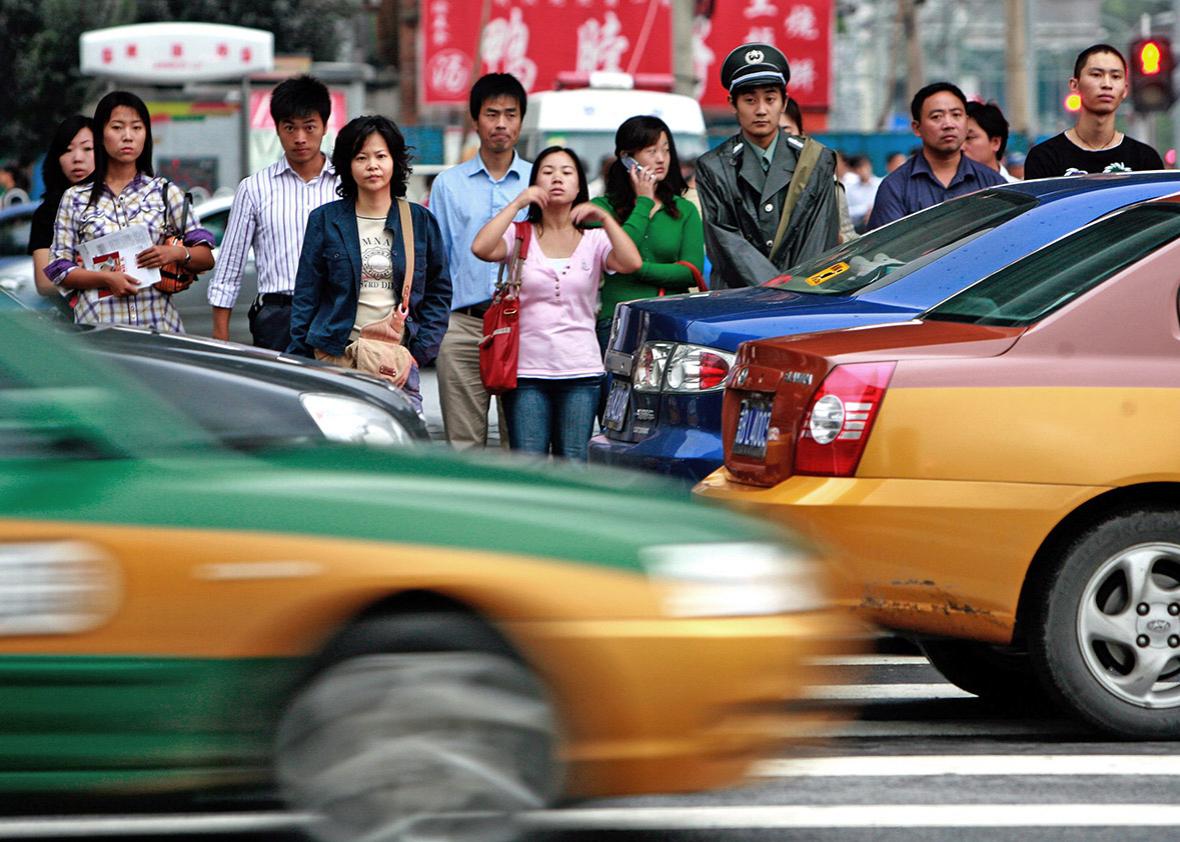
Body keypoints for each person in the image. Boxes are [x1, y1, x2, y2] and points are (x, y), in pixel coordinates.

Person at [470, 147, 641, 460]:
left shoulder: (595, 239)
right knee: (529, 462)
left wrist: (604, 217)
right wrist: (518, 202)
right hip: (525, 373)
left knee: (573, 461)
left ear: (579, 186)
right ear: (535, 182)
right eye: (547, 172)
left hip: (581, 370)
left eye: (566, 172)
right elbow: (481, 247)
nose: (557, 178)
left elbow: (631, 262)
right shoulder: (519, 235)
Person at [287, 116, 452, 412]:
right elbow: (307, 294)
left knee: (400, 450)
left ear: (395, 161)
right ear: (348, 165)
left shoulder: (418, 221)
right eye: (361, 157)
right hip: (335, 355)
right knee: (341, 451)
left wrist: (419, 353)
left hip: (394, 359)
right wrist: (301, 356)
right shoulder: (325, 220)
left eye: (381, 156)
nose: (372, 165)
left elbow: (439, 291)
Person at [46, 91, 215, 330]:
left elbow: (206, 257)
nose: (128, 136)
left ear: (146, 134)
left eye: (136, 128)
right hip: (99, 332)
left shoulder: (165, 192)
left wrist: (175, 254)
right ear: (100, 135)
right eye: (117, 127)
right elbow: (59, 268)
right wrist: (105, 278)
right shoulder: (75, 198)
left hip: (159, 329)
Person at [430, 73, 531, 449]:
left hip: (525, 327)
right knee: (464, 445)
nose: (501, 123)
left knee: (521, 444)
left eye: (510, 114)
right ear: (476, 120)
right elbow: (436, 260)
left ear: (521, 120)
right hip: (462, 327)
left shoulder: (538, 180)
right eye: (492, 114)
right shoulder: (448, 184)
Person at [207, 75, 339, 349]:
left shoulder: (346, 186)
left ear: (325, 126)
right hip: (278, 316)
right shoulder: (254, 188)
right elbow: (229, 268)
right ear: (277, 128)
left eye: (309, 127)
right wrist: (221, 338)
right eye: (290, 128)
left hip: (335, 312)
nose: (300, 138)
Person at [696, 42, 842, 288]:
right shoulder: (713, 166)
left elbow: (819, 238)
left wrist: (795, 290)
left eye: (770, 99)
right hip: (740, 299)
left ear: (784, 103)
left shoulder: (817, 160)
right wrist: (777, 289)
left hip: (802, 297)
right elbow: (727, 244)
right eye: (750, 100)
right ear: (733, 104)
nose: (761, 110)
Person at [590, 115, 704, 351]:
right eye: (651, 151)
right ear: (627, 159)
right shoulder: (602, 209)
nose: (661, 158)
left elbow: (690, 272)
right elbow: (616, 254)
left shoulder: (684, 210)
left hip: (670, 320)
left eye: (666, 150)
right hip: (617, 322)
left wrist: (636, 268)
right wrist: (643, 201)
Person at [867, 82, 1006, 230]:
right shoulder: (895, 187)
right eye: (936, 117)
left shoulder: (993, 183)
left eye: (956, 115)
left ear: (966, 121)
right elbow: (887, 249)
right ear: (916, 128)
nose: (948, 124)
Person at [1025, 44, 1163, 179]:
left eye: (1115, 77)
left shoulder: (1146, 159)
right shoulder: (1044, 158)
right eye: (1096, 75)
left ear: (1125, 90)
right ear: (1074, 85)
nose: (1107, 84)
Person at [27, 115, 94, 298]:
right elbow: (45, 282)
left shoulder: (123, 202)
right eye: (67, 150)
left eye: (88, 148)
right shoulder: (48, 213)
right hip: (73, 322)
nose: (77, 158)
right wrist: (105, 277)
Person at [964, 101, 1019, 182]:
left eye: (969, 138)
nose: (961, 147)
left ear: (995, 142)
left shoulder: (1020, 191)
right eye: (957, 139)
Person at [842, 155, 881, 231]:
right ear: (855, 170)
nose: (863, 170)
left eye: (866, 166)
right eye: (860, 167)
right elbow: (845, 212)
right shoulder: (849, 189)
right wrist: (865, 210)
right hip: (859, 228)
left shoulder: (880, 184)